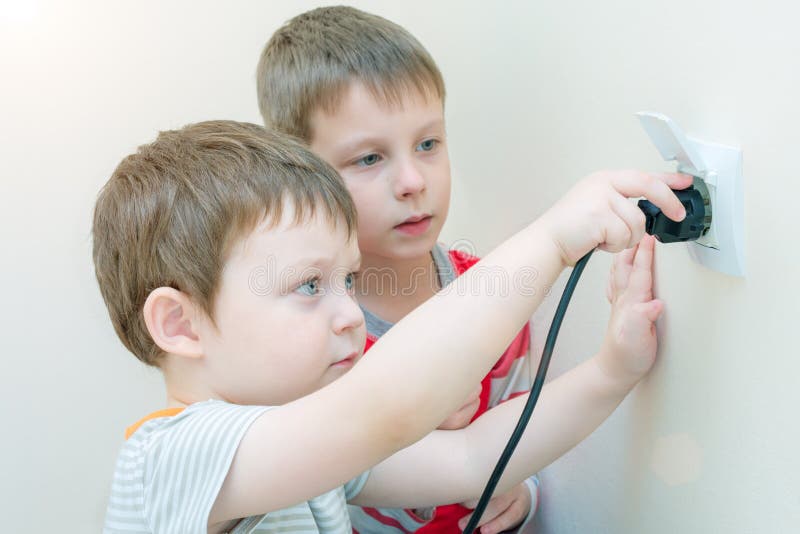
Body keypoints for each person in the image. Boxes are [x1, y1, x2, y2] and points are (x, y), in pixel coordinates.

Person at [97, 119, 689, 533]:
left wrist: (612, 371)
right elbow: (385, 408)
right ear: (181, 324)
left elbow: (472, 460)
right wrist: (553, 239)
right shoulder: (169, 457)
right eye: (310, 286)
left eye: (347, 281)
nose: (351, 314)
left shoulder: (313, 453)